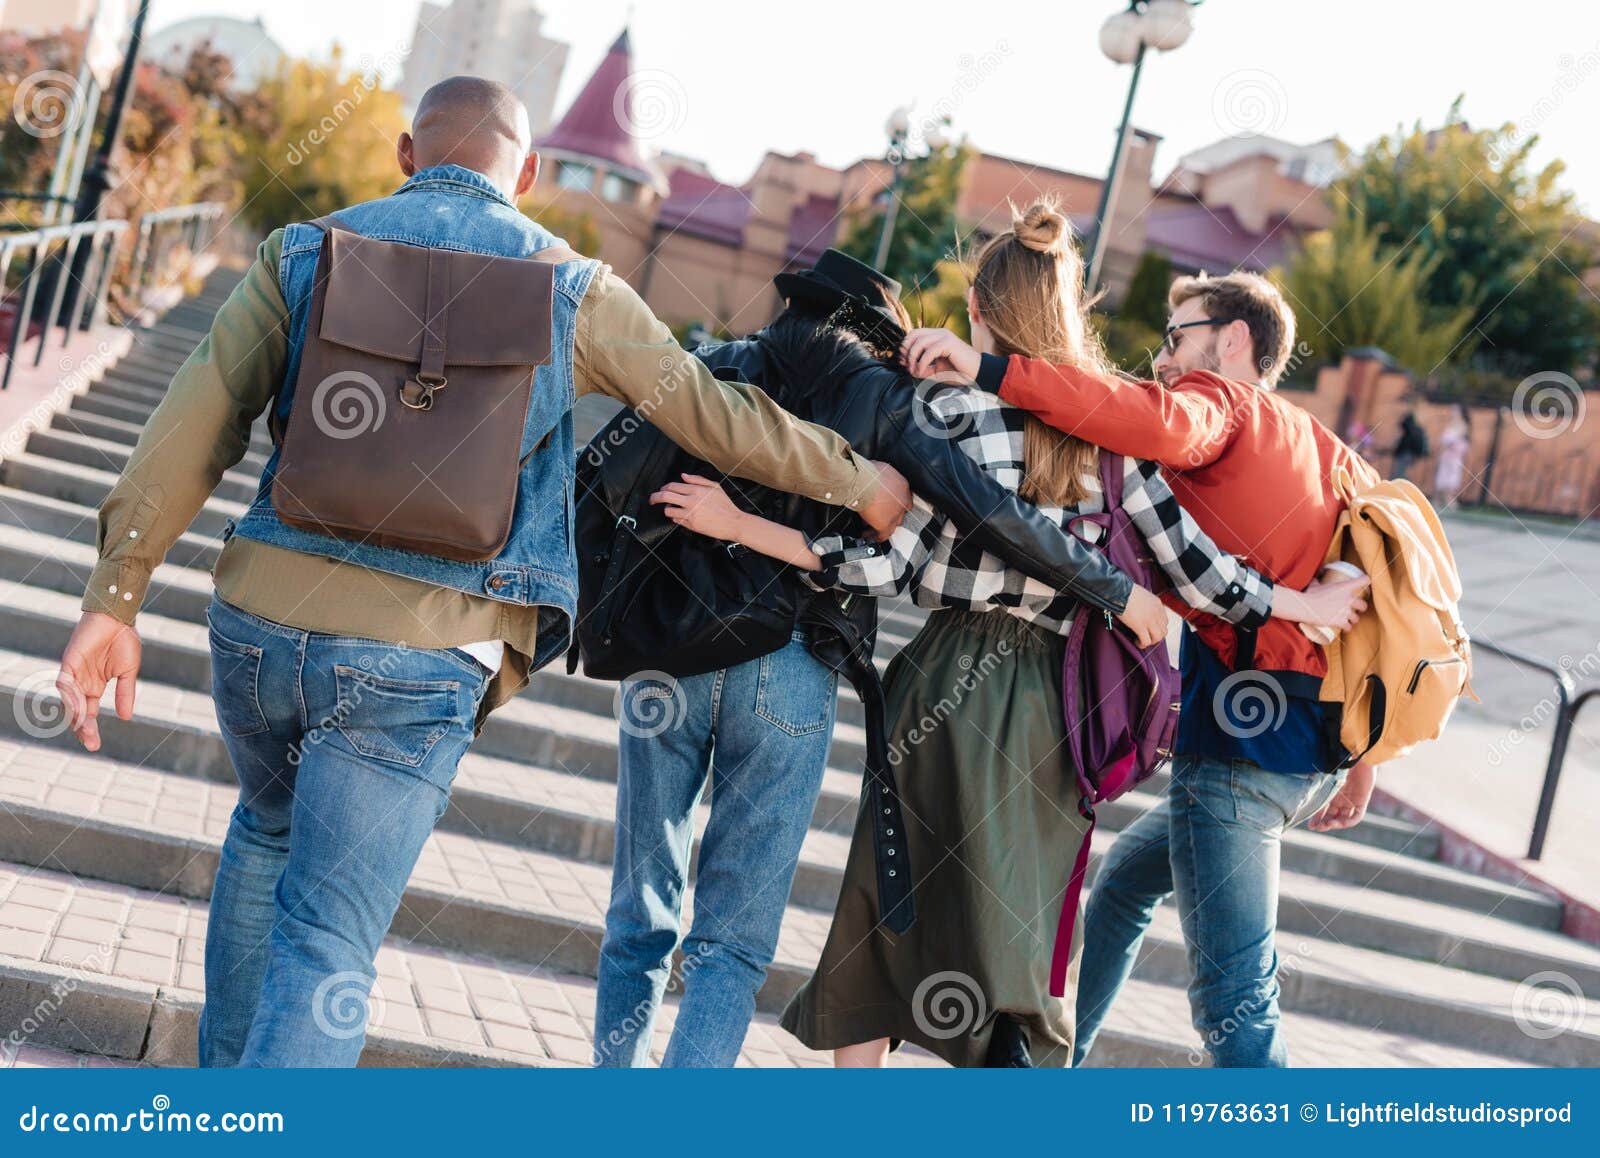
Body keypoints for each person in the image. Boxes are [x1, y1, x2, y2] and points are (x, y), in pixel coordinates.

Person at [52, 77, 920, 1068]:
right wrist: (858, 481)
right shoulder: (575, 288)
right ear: (531, 172)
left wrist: (114, 597)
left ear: (405, 154)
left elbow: (191, 420)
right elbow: (714, 416)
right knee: (327, 940)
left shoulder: (301, 250)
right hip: (427, 649)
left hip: (263, 622)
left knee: (263, 836)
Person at [656, 203, 1366, 1067]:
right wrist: (1302, 607)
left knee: (886, 916)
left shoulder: (947, 413)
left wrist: (742, 524)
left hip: (945, 684)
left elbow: (887, 565)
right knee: (1022, 944)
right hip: (1061, 709)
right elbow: (1202, 574)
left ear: (980, 312)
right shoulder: (1114, 447)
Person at [587, 249, 1176, 1067]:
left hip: (668, 655)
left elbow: (608, 481)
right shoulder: (893, 401)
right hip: (792, 660)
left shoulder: (711, 370)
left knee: (639, 910)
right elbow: (976, 515)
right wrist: (1114, 591)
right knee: (734, 939)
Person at [901, 267, 1380, 1067]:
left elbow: (1133, 416)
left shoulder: (1221, 403)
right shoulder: (1327, 450)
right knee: (1125, 885)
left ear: (1234, 340)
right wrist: (1367, 756)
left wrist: (984, 365)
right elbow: (1385, 604)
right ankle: (1058, 1071)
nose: (1161, 360)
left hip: (1244, 756)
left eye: (1176, 337)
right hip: (1314, 753)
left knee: (1235, 1001)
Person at [1433, 405, 1471, 508]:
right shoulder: (1450, 425)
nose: (1453, 413)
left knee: (1451, 480)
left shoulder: (1463, 425)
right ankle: (1439, 501)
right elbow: (1444, 441)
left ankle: (1450, 501)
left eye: (1456, 411)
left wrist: (1449, 445)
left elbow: (1454, 442)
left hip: (1454, 458)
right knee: (1441, 478)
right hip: (1445, 457)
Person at [1393, 409, 1431, 481]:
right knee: (1402, 472)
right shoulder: (1417, 430)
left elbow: (1405, 444)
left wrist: (1397, 451)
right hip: (1413, 455)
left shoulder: (1410, 430)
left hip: (1407, 454)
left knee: (1400, 472)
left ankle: (1400, 485)